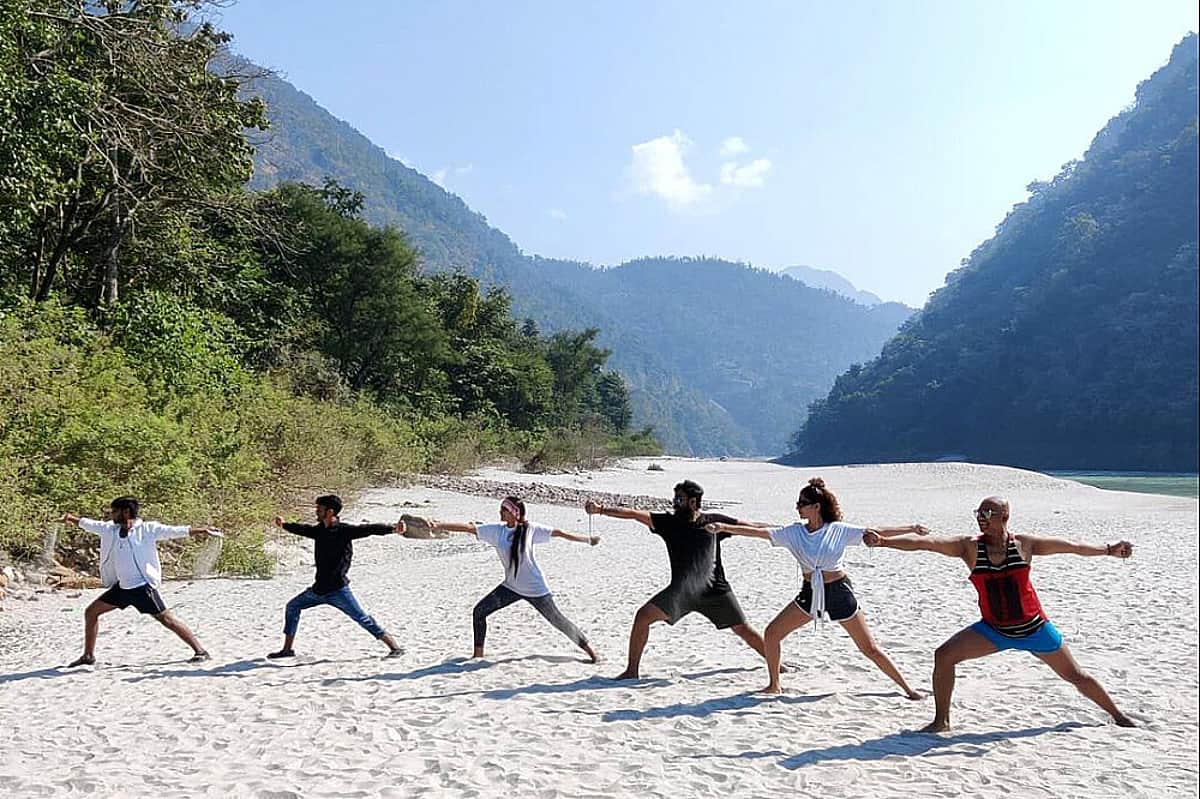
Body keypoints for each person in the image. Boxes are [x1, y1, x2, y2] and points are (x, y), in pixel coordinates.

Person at [865, 495, 1136, 730]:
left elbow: (1072, 546)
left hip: (1035, 628)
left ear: (1004, 516)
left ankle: (1119, 716)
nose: (981, 519)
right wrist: (883, 542)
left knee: (1077, 676)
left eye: (987, 514)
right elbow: (926, 543)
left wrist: (1109, 550)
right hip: (994, 630)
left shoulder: (1025, 545)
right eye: (978, 514)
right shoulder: (968, 547)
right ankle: (941, 721)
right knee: (944, 656)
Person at [706, 476, 924, 698]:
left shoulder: (838, 530)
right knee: (772, 634)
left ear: (816, 507)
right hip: (810, 593)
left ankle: (909, 689)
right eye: (798, 503)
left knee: (869, 648)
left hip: (839, 592)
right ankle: (774, 685)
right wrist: (723, 527)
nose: (797, 507)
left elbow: (877, 531)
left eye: (802, 503)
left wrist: (911, 528)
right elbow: (760, 533)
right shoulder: (794, 532)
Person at [585, 479, 773, 680]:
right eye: (674, 498)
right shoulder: (669, 523)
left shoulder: (714, 522)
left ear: (693, 502)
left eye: (679, 499)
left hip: (715, 590)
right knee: (643, 617)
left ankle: (776, 664)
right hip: (681, 592)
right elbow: (632, 514)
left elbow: (750, 527)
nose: (674, 503)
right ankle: (632, 671)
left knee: (743, 629)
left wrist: (786, 532)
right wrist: (601, 510)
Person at [428, 496, 600, 662]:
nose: (500, 511)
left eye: (504, 509)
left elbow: (560, 533)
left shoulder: (531, 529)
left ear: (514, 513)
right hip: (511, 587)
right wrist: (439, 524)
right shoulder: (497, 531)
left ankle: (591, 651)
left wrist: (588, 540)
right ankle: (477, 656)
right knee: (479, 612)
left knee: (558, 620)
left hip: (536, 589)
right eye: (501, 508)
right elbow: (469, 528)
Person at [61, 496, 219, 667]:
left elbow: (173, 531)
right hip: (122, 588)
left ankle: (201, 651)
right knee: (91, 612)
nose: (111, 515)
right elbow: (90, 524)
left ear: (126, 512)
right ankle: (88, 656)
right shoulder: (110, 530)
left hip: (142, 588)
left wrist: (201, 530)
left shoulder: (147, 529)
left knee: (167, 620)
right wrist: (71, 518)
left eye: (114, 511)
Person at [268, 494, 406, 659]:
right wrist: (284, 525)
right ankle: (287, 650)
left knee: (363, 619)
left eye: (319, 509)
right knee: (292, 607)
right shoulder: (319, 531)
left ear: (330, 511)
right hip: (317, 590)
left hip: (338, 590)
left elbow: (369, 529)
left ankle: (394, 647)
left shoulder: (344, 531)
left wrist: (392, 529)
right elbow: (302, 529)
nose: (316, 512)